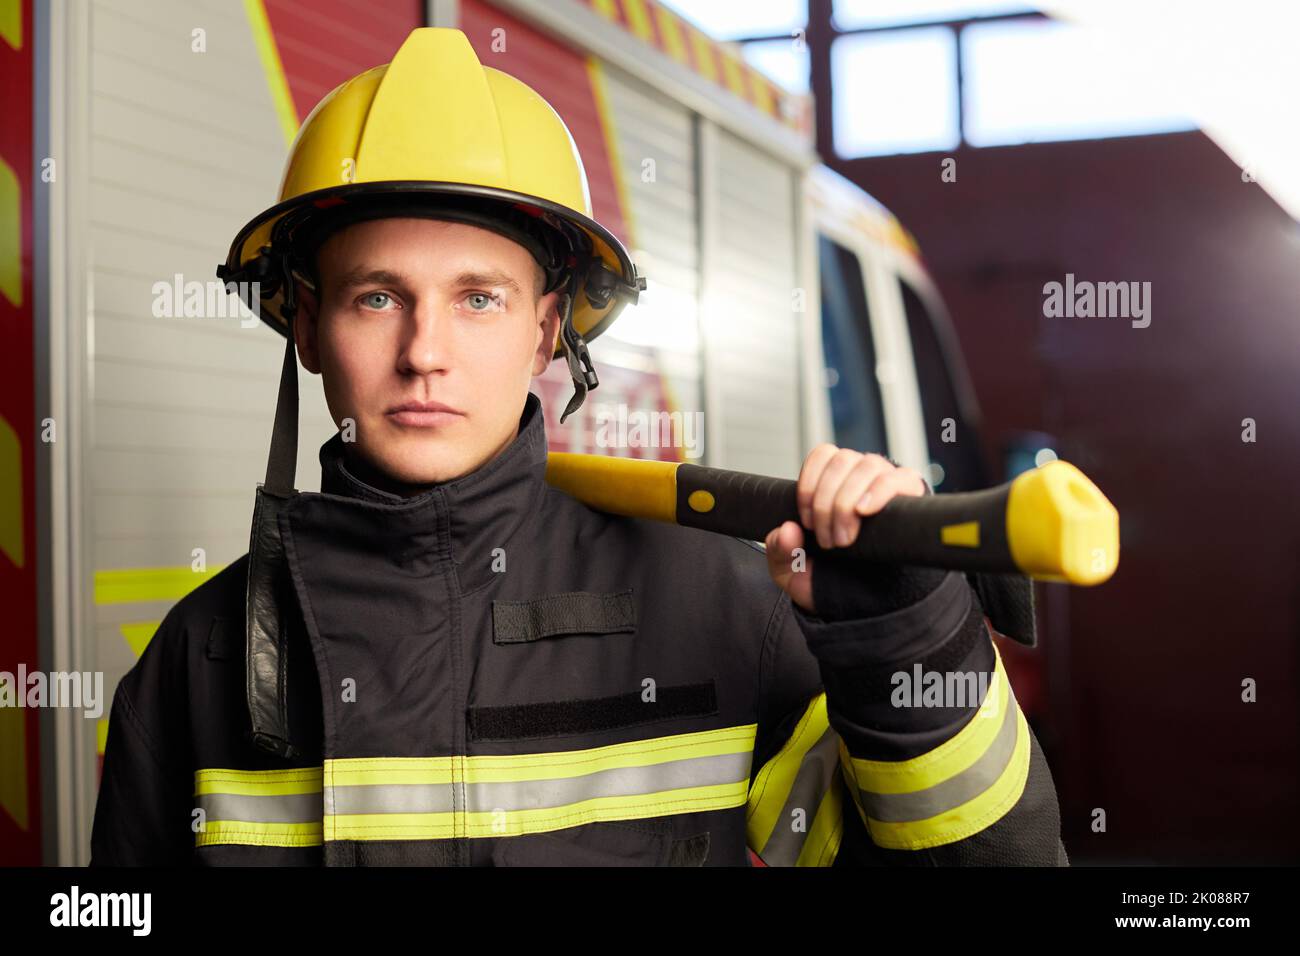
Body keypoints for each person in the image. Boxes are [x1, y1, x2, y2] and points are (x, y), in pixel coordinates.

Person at [89, 27, 1066, 867]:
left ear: (548, 328)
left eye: (479, 298)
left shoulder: (725, 610)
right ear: (305, 325)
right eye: (376, 295)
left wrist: (903, 643)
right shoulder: (196, 662)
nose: (424, 352)